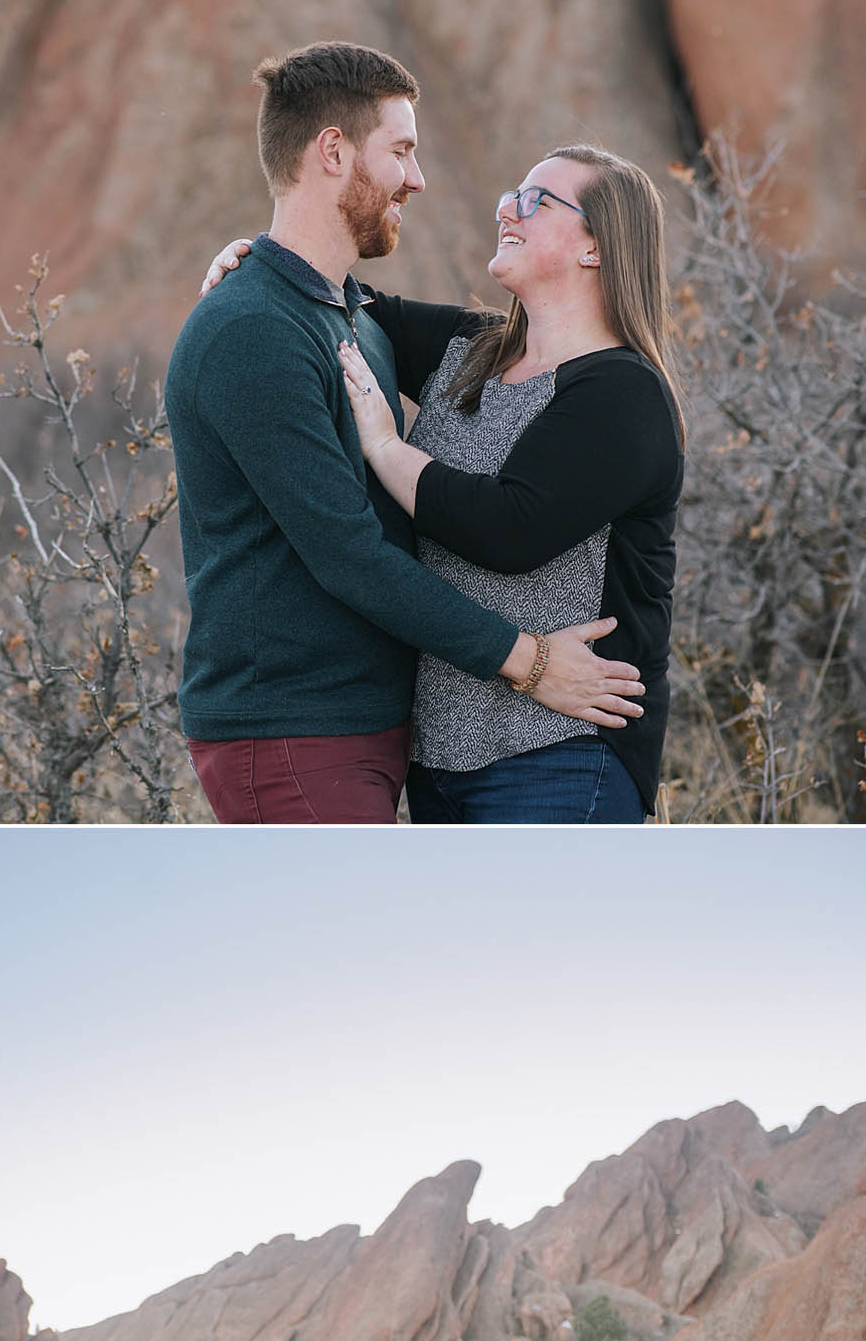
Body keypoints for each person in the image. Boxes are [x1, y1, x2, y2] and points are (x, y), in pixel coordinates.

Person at [166, 41, 645, 824]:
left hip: (375, 727)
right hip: (290, 726)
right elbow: (347, 553)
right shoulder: (253, 329)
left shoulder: (348, 316)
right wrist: (529, 663)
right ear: (333, 152)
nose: (417, 178)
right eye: (401, 151)